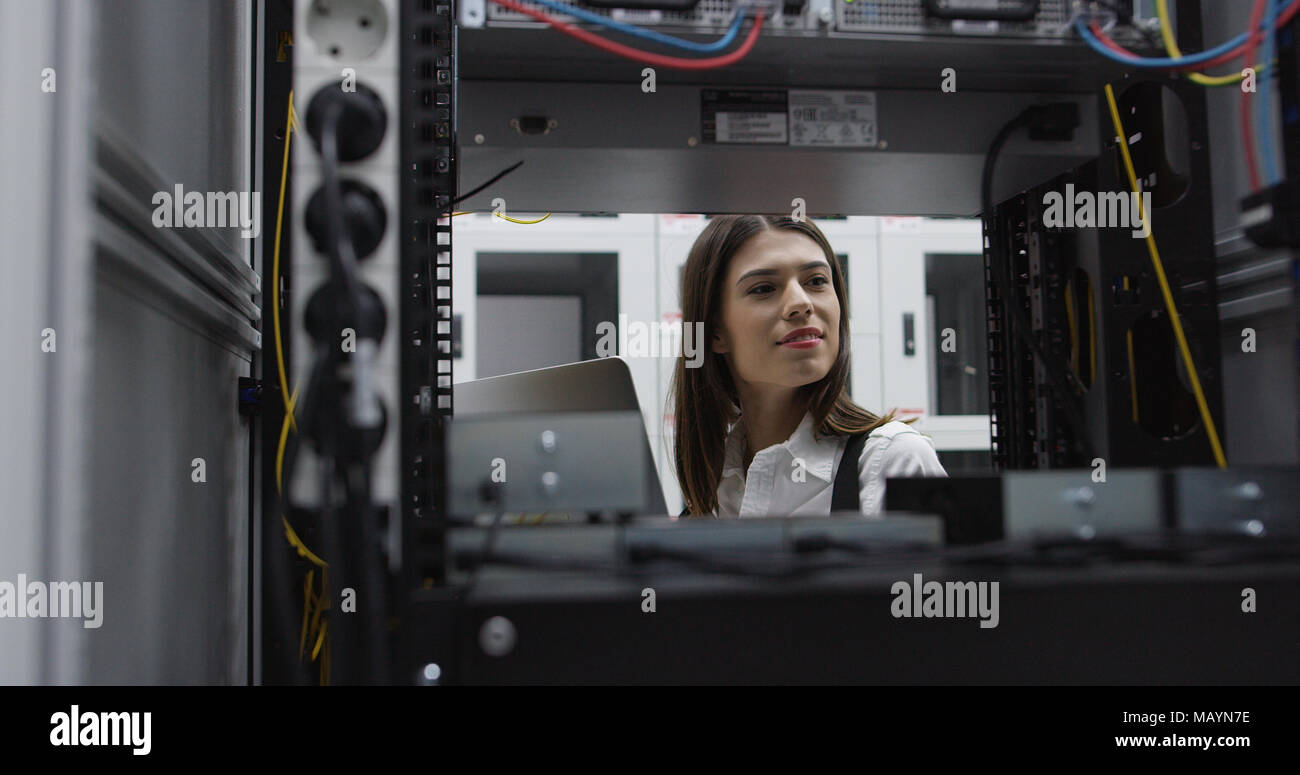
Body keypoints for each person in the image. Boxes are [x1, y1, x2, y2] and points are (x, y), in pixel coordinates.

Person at [669, 215, 947, 517]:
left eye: (816, 281)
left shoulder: (893, 462)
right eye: (763, 288)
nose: (801, 303)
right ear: (714, 332)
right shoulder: (713, 488)